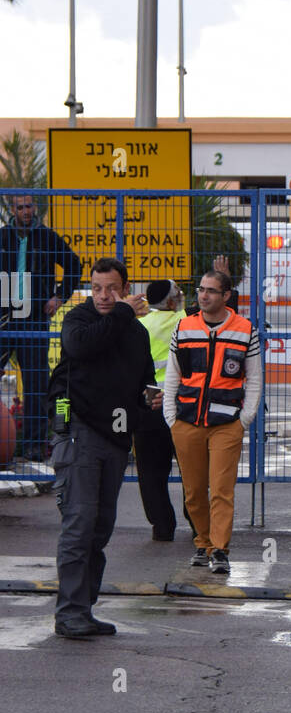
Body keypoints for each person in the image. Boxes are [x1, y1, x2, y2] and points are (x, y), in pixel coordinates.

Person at [47, 258, 155, 639]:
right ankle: (69, 613)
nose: (104, 296)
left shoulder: (135, 332)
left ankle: (84, 608)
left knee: (100, 528)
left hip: (115, 437)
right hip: (79, 433)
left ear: (124, 287)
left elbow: (142, 382)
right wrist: (122, 314)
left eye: (112, 288)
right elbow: (81, 348)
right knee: (78, 524)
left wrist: (146, 402)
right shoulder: (80, 320)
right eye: (97, 288)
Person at [163, 267, 261, 575]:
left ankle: (220, 549)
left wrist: (244, 419)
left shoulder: (245, 330)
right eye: (201, 290)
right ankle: (202, 544)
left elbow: (255, 379)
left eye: (210, 291)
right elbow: (172, 375)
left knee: (221, 489)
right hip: (187, 421)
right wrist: (171, 417)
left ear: (226, 295)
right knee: (193, 491)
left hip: (226, 423)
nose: (203, 296)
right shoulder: (184, 327)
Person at [0, 194, 83, 460]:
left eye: (29, 206)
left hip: (34, 318)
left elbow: (73, 265)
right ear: (12, 210)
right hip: (3, 318)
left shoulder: (47, 237)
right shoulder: (2, 238)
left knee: (36, 382)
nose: (26, 211)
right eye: (20, 207)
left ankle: (35, 444)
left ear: (35, 208)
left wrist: (59, 296)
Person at [134, 279, 184, 541]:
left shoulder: (139, 324)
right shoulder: (185, 321)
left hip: (149, 402)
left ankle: (162, 526)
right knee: (192, 469)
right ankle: (198, 523)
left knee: (151, 472)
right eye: (179, 294)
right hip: (180, 404)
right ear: (172, 301)